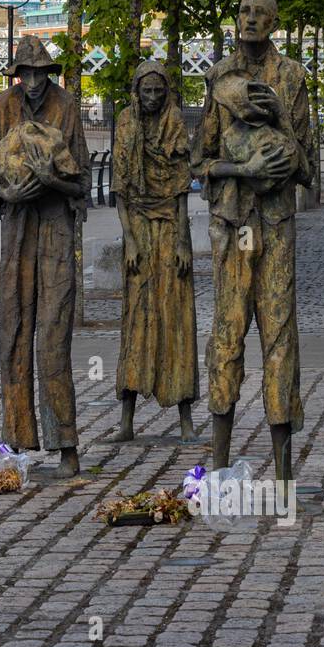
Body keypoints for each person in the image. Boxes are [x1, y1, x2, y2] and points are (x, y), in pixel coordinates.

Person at [192, 0, 313, 485]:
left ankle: (284, 475)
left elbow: (307, 166)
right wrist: (243, 167)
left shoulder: (292, 77)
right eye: (243, 10)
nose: (250, 19)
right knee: (227, 332)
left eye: (260, 12)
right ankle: (219, 467)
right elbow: (199, 164)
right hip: (231, 226)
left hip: (277, 224)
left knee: (280, 336)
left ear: (274, 21)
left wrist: (281, 121)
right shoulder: (220, 77)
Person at [0, 35, 92, 478]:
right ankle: (16, 443)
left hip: (54, 229)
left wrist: (52, 181)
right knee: (14, 333)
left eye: (39, 74)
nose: (32, 82)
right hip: (16, 231)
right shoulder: (3, 106)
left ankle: (66, 443)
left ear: (49, 74)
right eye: (25, 73)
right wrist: (9, 191)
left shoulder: (66, 106)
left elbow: (82, 182)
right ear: (16, 74)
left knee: (53, 336)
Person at [109, 60, 198, 443]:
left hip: (169, 227)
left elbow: (180, 189)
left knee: (177, 316)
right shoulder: (126, 122)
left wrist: (182, 242)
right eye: (145, 91)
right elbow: (121, 190)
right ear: (136, 91)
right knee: (137, 317)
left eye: (158, 92)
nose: (151, 98)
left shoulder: (174, 121)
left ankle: (185, 418)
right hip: (139, 229)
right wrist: (128, 240)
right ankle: (127, 418)